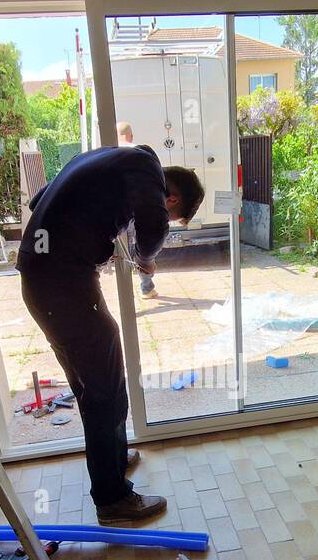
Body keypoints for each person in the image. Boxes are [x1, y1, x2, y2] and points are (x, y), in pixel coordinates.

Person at [18, 144, 204, 523]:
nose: (166, 215)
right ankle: (112, 498)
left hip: (43, 281)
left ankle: (112, 460)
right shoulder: (145, 166)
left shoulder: (105, 159)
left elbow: (39, 200)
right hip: (64, 284)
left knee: (94, 382)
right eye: (173, 213)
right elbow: (153, 227)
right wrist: (146, 261)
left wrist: (89, 233)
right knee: (104, 389)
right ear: (171, 199)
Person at [115, 122, 157, 299]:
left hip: (115, 210)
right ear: (130, 136)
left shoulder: (108, 152)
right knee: (141, 247)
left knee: (120, 248)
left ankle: (124, 293)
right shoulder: (141, 152)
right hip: (138, 207)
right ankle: (146, 287)